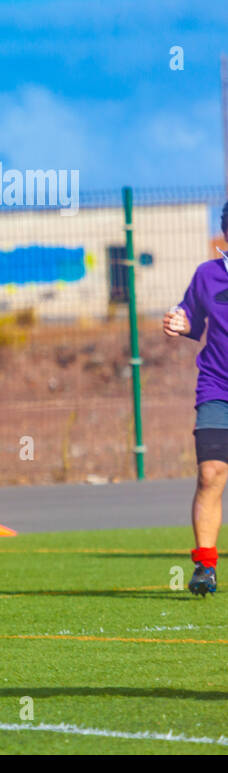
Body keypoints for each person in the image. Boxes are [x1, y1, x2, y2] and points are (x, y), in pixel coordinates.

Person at [164, 204, 228, 597]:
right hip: (217, 388)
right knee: (210, 474)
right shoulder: (207, 275)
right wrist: (180, 322)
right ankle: (205, 565)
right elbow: (189, 317)